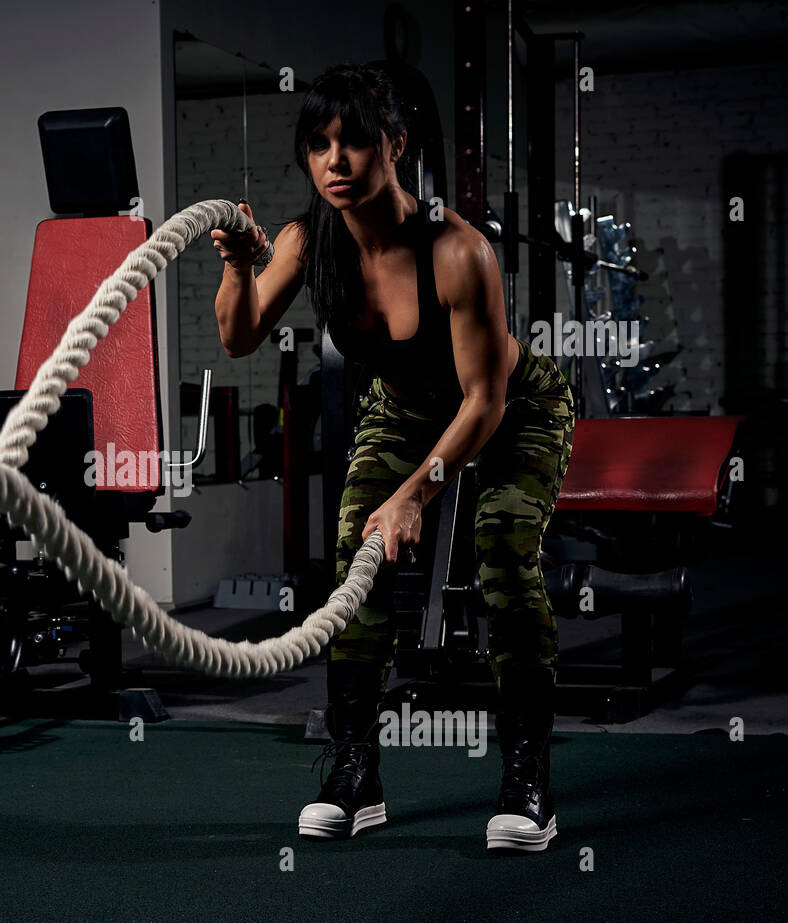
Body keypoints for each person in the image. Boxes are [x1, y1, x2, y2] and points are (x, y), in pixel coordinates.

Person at [211, 62, 574, 852]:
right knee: (354, 552)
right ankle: (355, 769)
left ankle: (527, 778)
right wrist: (240, 262)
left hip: (511, 406)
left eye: (354, 142)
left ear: (396, 146)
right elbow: (239, 335)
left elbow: (483, 402)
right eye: (318, 145)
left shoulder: (457, 250)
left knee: (505, 554)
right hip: (406, 408)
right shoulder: (310, 240)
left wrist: (415, 492)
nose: (335, 162)